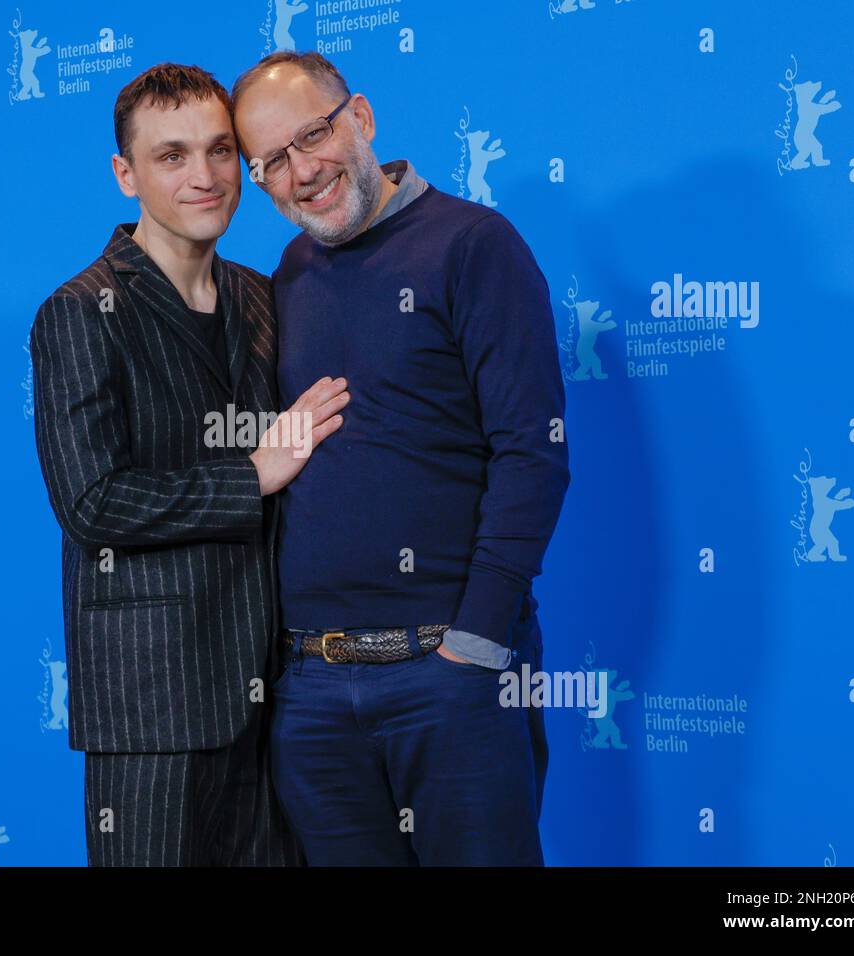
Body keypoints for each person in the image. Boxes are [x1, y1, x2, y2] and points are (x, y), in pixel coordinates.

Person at [232, 51, 571, 865]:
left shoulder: (474, 245)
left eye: (312, 136)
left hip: (449, 678)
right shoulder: (292, 272)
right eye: (270, 162)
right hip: (312, 691)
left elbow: (533, 452)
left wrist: (473, 649)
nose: (301, 172)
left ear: (361, 117)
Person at [29, 62, 348, 866]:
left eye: (219, 150)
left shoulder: (263, 295)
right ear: (125, 174)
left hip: (275, 693)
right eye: (171, 156)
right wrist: (252, 474)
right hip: (153, 711)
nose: (204, 176)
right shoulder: (81, 311)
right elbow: (92, 503)